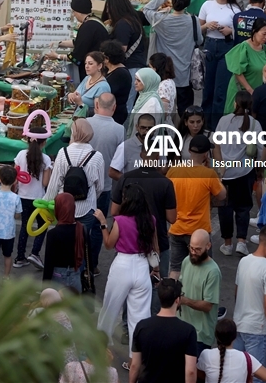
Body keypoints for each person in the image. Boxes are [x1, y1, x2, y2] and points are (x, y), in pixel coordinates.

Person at [95, 183, 156, 357]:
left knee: (109, 308)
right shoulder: (151, 220)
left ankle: (100, 348)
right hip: (143, 265)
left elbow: (108, 244)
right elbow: (154, 246)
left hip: (122, 264)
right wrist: (156, 269)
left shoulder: (120, 220)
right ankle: (136, 358)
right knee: (140, 316)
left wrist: (102, 223)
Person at [110, 137, 177, 281]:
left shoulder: (126, 178)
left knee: (127, 287)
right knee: (157, 285)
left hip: (128, 243)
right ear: (158, 156)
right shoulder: (165, 183)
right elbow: (172, 218)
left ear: (141, 155)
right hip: (157, 243)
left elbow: (114, 211)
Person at [45, 119, 106, 275]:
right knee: (82, 243)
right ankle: (81, 276)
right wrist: (92, 199)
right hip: (87, 209)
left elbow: (54, 182)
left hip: (65, 209)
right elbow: (100, 187)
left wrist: (46, 203)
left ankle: (63, 274)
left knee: (64, 242)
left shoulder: (63, 153)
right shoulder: (97, 156)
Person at [213, 91, 261, 257]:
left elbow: (215, 145)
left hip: (225, 172)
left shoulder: (224, 120)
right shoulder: (254, 124)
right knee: (243, 207)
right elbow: (260, 149)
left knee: (225, 208)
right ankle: (241, 241)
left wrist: (219, 166)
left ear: (235, 104)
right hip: (245, 171)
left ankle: (227, 244)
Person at [168, 138, 224, 279]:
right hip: (199, 231)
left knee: (175, 269)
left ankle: (173, 298)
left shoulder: (174, 170)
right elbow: (222, 195)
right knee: (202, 269)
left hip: (177, 228)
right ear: (206, 154)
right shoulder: (208, 174)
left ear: (189, 151)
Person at [142, 0, 203, 117]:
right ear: (188, 3)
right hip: (184, 75)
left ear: (172, 0)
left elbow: (146, 9)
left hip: (164, 75)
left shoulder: (160, 20)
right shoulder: (193, 21)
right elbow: (199, 40)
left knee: (161, 112)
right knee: (185, 113)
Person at [232, 224, 266, 371]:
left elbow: (236, 291)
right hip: (258, 330)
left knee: (238, 373)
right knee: (256, 375)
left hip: (239, 324)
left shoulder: (244, 261)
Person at [129, 277, 198, 383]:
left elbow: (134, 366)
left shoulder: (142, 326)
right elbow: (190, 371)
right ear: (177, 300)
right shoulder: (188, 331)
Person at [199, 0, 240, 128]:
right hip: (210, 45)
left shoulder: (235, 9)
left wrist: (230, 31)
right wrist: (206, 26)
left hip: (226, 47)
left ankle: (217, 126)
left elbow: (239, 33)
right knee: (208, 87)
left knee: (221, 89)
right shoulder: (207, 5)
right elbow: (198, 28)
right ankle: (204, 123)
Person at [13, 115, 52, 270]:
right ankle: (35, 253)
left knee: (24, 226)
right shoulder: (46, 159)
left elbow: (16, 176)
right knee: (42, 226)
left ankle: (19, 257)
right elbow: (45, 183)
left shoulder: (21, 155)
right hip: (39, 198)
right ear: (44, 142)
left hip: (23, 196)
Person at [179, 230, 224, 355]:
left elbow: (207, 305)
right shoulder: (187, 261)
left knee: (195, 372)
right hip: (182, 329)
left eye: (198, 249)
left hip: (200, 336)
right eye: (191, 248)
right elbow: (182, 286)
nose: (193, 253)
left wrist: (185, 301)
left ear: (208, 246)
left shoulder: (213, 272)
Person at [102, 0, 147, 105]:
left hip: (130, 67)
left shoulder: (123, 24)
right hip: (137, 65)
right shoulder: (133, 20)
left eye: (109, 8)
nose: (107, 11)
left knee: (126, 103)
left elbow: (121, 49)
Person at [86, 92, 125, 222]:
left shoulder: (84, 123)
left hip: (83, 180)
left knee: (83, 221)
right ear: (114, 107)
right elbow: (120, 159)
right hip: (105, 184)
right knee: (99, 224)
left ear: (96, 105)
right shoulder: (119, 129)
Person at [52, 0, 110, 81]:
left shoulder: (88, 27)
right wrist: (59, 44)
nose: (74, 15)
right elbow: (78, 42)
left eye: (74, 12)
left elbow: (77, 56)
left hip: (93, 70)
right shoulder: (94, 20)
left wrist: (57, 56)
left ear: (78, 11)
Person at [199, 318, 266, 383]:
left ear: (216, 335)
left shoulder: (206, 354)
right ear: (234, 337)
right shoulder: (246, 358)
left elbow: (199, 373)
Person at [225, 19, 266, 115]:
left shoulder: (264, 48)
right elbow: (238, 72)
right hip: (241, 92)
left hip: (255, 91)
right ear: (254, 31)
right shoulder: (244, 47)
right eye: (264, 34)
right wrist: (250, 90)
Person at [42, 192, 84, 293]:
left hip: (58, 277)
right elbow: (88, 257)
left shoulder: (53, 234)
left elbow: (49, 262)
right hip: (75, 275)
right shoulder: (81, 229)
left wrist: (44, 288)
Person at [99, 42, 131, 125]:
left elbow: (107, 91)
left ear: (107, 58)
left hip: (115, 114)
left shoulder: (120, 73)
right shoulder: (110, 69)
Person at [149, 53, 178, 127]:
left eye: (150, 67)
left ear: (155, 68)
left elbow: (163, 112)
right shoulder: (169, 82)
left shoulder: (164, 86)